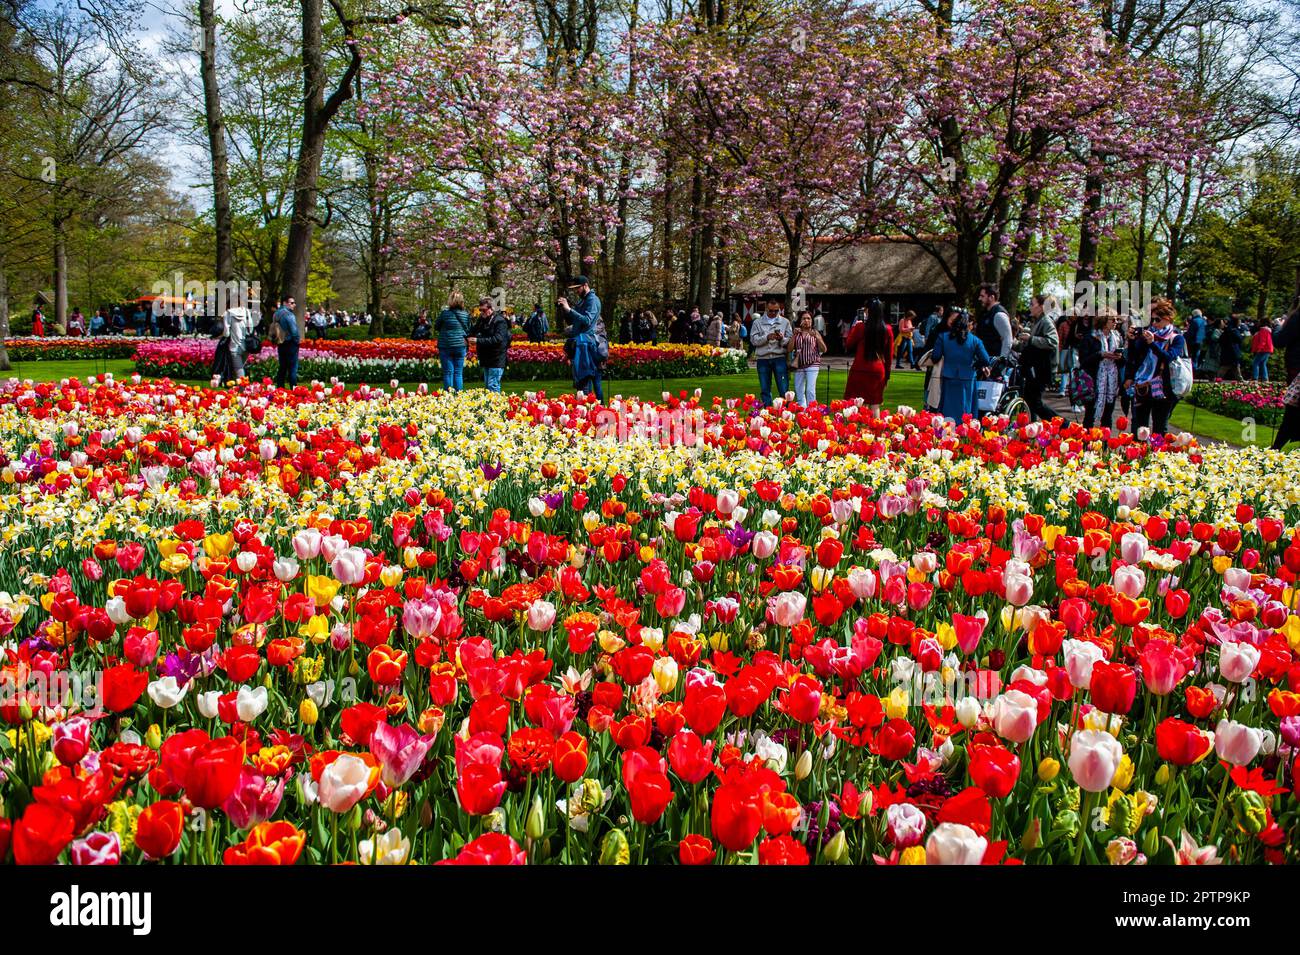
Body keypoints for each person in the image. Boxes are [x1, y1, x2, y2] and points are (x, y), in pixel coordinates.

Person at [1129, 297, 1186, 438]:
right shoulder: (1147, 333)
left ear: (1168, 319)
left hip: (1163, 388)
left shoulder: (1176, 338)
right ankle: (1137, 456)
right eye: (1152, 319)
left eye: (1157, 320)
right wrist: (1132, 340)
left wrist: (1152, 343)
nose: (1153, 323)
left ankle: (1157, 457)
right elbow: (1134, 357)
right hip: (1143, 385)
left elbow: (1168, 357)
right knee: (1139, 428)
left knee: (1159, 429)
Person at [931, 312, 992, 422]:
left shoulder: (943, 337)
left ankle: (947, 434)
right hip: (968, 379)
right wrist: (975, 364)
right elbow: (986, 360)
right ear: (968, 324)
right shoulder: (975, 340)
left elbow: (935, 357)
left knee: (947, 411)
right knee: (966, 411)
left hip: (948, 378)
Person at [559, 276, 606, 400]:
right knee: (587, 382)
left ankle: (598, 411)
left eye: (577, 288)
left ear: (585, 285)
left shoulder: (592, 300)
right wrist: (565, 309)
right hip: (582, 343)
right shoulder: (584, 300)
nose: (576, 291)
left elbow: (587, 321)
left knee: (588, 382)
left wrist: (569, 309)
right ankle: (594, 411)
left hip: (588, 345)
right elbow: (575, 320)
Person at [844, 298, 893, 414]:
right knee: (875, 404)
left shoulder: (861, 327)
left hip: (860, 368)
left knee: (857, 405)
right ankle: (876, 431)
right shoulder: (888, 329)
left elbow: (849, 343)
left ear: (868, 311)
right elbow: (889, 356)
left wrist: (855, 327)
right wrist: (887, 376)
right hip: (878, 370)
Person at [1019, 294, 1059, 422]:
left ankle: (1063, 424)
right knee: (1030, 401)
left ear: (1041, 307)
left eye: (1032, 304)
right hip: (1035, 368)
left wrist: (1030, 338)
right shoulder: (1037, 321)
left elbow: (1053, 341)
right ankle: (1032, 428)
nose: (1029, 307)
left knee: (1036, 403)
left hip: (1041, 370)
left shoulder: (1046, 321)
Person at [1086, 312, 1124, 429]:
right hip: (1094, 381)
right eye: (1112, 320)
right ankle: (1086, 442)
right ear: (1103, 321)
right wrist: (1101, 355)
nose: (1115, 322)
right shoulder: (1091, 337)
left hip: (1112, 381)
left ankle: (1105, 445)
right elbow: (1084, 361)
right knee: (1089, 415)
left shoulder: (1117, 337)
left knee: (1108, 415)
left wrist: (1119, 357)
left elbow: (1123, 362)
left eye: (1116, 320)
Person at [750, 299, 792, 407]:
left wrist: (782, 339)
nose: (773, 313)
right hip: (763, 358)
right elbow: (753, 340)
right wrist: (767, 337)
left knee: (783, 388)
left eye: (776, 311)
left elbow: (790, 341)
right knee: (765, 388)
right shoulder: (757, 322)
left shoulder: (785, 322)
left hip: (779, 357)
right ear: (766, 309)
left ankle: (785, 413)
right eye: (771, 311)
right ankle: (767, 412)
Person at [468, 296, 511, 392]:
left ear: (491, 308)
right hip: (486, 358)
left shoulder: (500, 321)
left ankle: (497, 406)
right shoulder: (482, 320)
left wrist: (478, 341)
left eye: (484, 310)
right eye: (480, 310)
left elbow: (498, 339)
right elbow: (473, 331)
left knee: (493, 386)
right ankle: (492, 406)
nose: (481, 312)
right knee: (488, 387)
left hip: (496, 358)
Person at [787, 310, 826, 408]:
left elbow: (824, 349)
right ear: (800, 320)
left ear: (812, 321)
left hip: (813, 364)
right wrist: (794, 335)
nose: (806, 320)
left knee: (810, 390)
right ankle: (802, 412)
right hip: (799, 365)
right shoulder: (797, 333)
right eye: (804, 318)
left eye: (808, 318)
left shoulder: (815, 332)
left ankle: (812, 411)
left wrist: (817, 337)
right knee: (799, 390)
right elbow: (789, 349)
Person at [436, 292, 471, 392]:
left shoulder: (445, 314)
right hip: (460, 344)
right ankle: (458, 395)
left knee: (448, 372)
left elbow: (437, 326)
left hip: (446, 344)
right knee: (458, 372)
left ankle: (448, 396)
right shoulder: (465, 315)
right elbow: (469, 328)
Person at [215, 305, 252, 384]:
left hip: (234, 346)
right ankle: (238, 390)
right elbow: (250, 330)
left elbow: (226, 333)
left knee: (239, 370)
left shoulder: (227, 313)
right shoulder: (246, 312)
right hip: (247, 345)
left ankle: (243, 391)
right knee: (239, 368)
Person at [975, 283, 1013, 359]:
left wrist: (1000, 362)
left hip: (993, 363)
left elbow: (1007, 340)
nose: (979, 299)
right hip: (984, 360)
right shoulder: (985, 313)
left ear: (992, 297)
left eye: (982, 296)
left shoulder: (999, 315)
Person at [272, 297, 301, 389]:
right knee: (292, 368)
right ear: (285, 303)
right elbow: (294, 331)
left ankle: (280, 388)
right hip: (290, 343)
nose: (294, 305)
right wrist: (297, 341)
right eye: (292, 303)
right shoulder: (289, 315)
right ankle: (294, 388)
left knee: (282, 367)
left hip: (280, 342)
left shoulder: (276, 314)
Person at [1218, 315, 1244, 380]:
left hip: (1226, 351)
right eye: (1239, 321)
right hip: (1233, 350)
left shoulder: (1227, 329)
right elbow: (1239, 339)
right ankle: (1218, 378)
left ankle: (1239, 378)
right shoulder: (1234, 330)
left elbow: (1220, 340)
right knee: (1229, 366)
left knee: (1232, 366)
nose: (1240, 322)